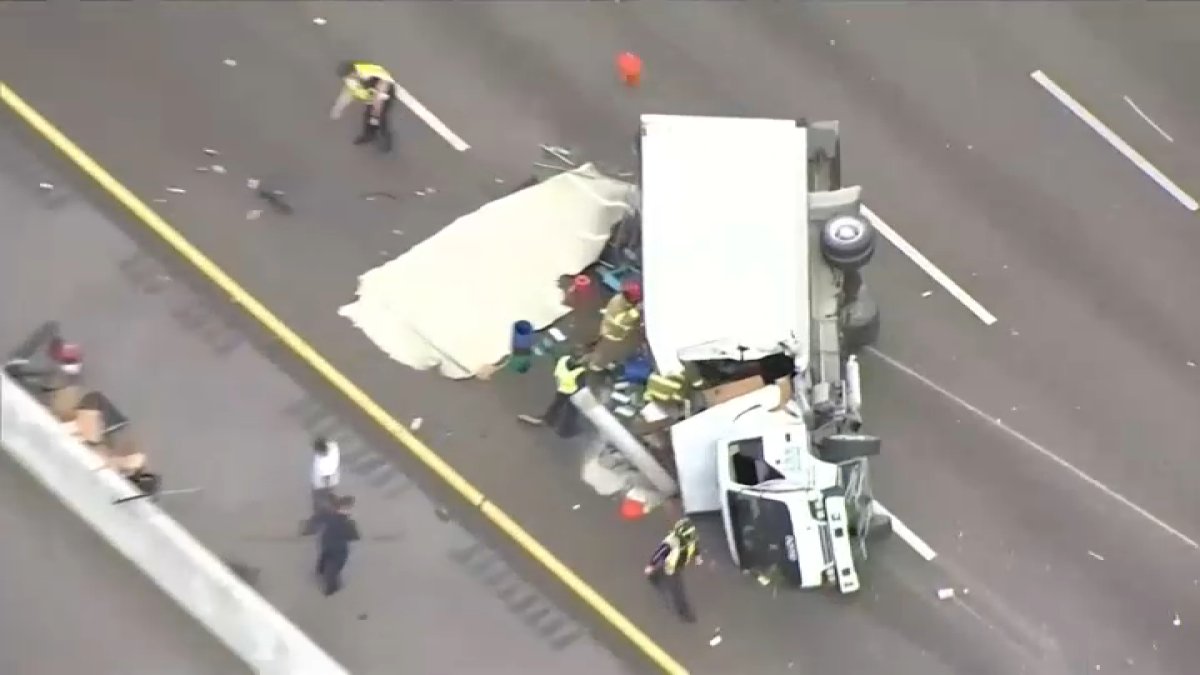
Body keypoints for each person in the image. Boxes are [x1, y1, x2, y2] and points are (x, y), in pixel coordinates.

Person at [330, 60, 397, 152]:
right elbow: (348, 93)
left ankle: (386, 139)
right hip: (371, 94)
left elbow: (385, 81)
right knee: (368, 116)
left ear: (353, 72)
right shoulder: (350, 80)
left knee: (380, 117)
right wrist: (338, 108)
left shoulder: (368, 71)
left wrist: (378, 102)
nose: (347, 79)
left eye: (348, 76)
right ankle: (369, 135)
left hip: (385, 92)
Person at [517, 354, 586, 438]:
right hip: (572, 387)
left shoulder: (564, 359)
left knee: (561, 402)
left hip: (563, 384)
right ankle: (565, 428)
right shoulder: (579, 371)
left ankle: (551, 420)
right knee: (573, 405)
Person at [644, 518, 699, 623]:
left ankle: (654, 574)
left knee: (672, 581)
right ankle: (684, 611)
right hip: (672, 567)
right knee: (677, 589)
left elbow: (694, 546)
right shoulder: (672, 542)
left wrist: (697, 556)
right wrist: (651, 564)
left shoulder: (690, 538)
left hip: (678, 563)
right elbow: (659, 553)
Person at [588, 280, 642, 372]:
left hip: (609, 330)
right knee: (610, 350)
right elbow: (625, 320)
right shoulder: (619, 305)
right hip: (614, 334)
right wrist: (637, 310)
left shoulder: (619, 300)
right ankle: (598, 365)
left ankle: (598, 364)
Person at [315, 495, 361, 596]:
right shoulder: (348, 522)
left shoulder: (328, 515)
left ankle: (321, 570)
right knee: (335, 567)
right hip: (339, 548)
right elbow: (355, 536)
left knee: (325, 557)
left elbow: (316, 522)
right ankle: (331, 587)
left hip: (327, 543)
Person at [301, 436, 341, 536]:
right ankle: (316, 527)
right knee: (322, 507)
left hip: (322, 486)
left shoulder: (327, 457)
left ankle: (313, 528)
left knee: (322, 507)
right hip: (324, 485)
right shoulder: (331, 449)